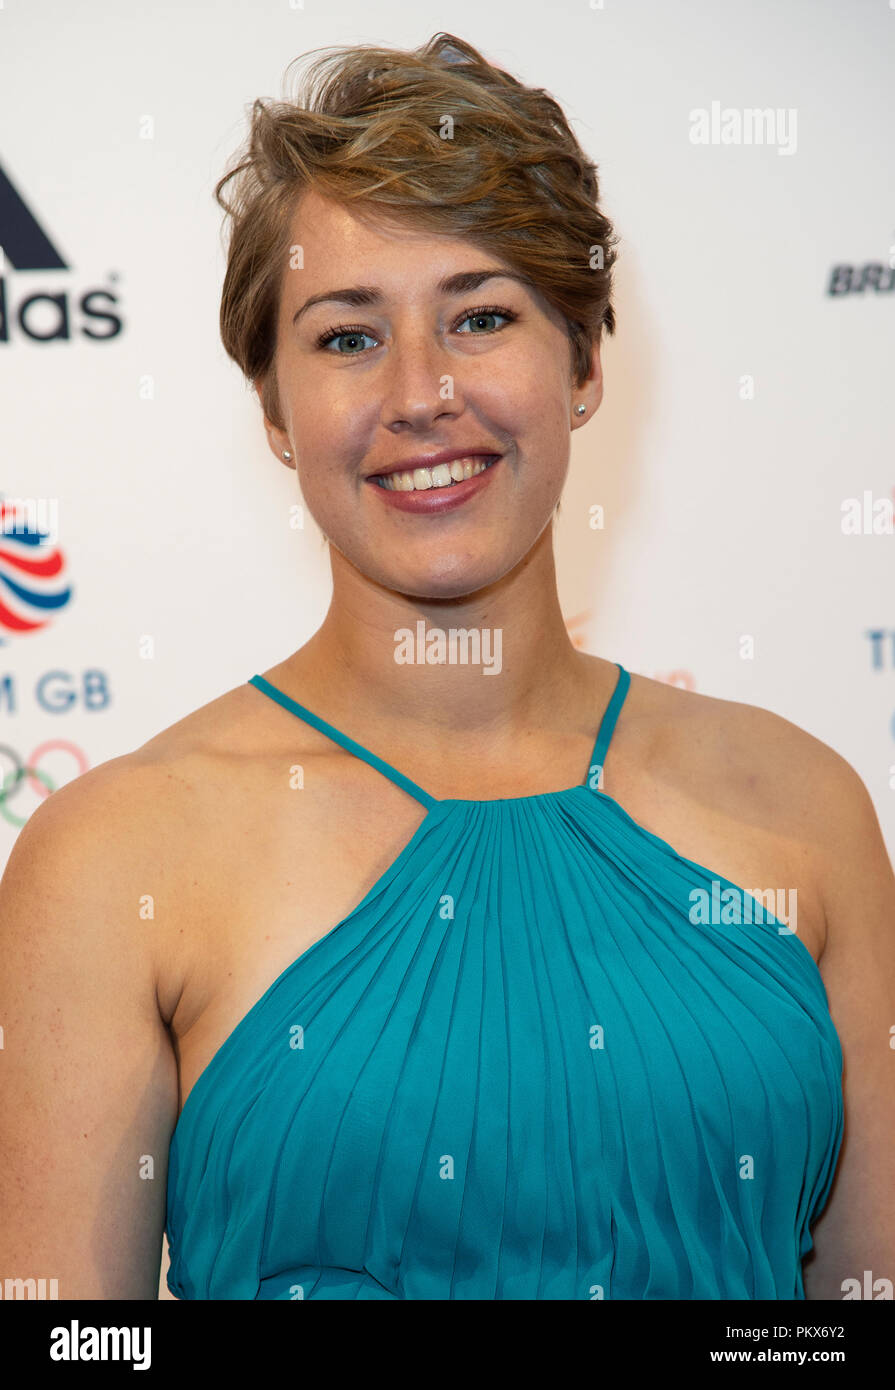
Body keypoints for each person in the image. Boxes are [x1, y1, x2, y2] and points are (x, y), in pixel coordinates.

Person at [1, 31, 892, 1302]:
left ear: (583, 364)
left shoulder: (806, 812)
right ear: (273, 408)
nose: (421, 395)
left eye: (481, 317)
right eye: (346, 338)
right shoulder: (115, 857)